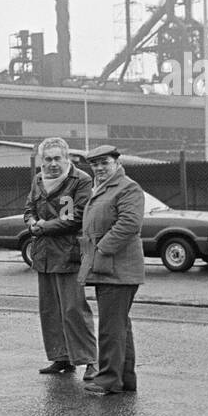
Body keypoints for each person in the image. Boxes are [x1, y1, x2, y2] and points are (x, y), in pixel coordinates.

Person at [23, 137, 97, 380]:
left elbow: (77, 217)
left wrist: (42, 227)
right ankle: (61, 358)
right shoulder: (37, 180)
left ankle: (90, 361)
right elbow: (29, 208)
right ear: (41, 161)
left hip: (70, 254)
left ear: (67, 159)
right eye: (48, 159)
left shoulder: (81, 181)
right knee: (50, 310)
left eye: (57, 158)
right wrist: (31, 222)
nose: (52, 164)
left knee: (74, 309)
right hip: (44, 255)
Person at [77, 145, 145, 396]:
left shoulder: (127, 187)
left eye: (104, 163)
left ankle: (108, 379)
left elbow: (129, 223)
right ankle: (125, 379)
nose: (99, 168)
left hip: (118, 268)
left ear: (117, 162)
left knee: (110, 327)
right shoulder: (103, 188)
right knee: (119, 326)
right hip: (108, 267)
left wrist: (101, 249)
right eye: (94, 165)